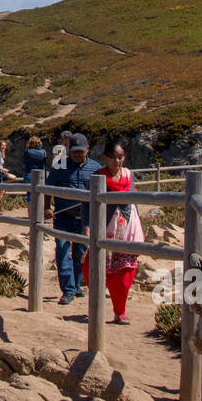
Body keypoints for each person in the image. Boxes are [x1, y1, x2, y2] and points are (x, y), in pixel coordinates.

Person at [80, 139, 139, 324]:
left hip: (125, 229)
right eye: (113, 157)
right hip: (103, 228)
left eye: (120, 157)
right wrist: (87, 225)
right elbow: (86, 203)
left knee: (124, 271)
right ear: (105, 157)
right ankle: (95, 308)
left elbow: (132, 200)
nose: (117, 161)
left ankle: (120, 311)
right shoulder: (98, 177)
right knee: (94, 268)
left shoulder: (129, 176)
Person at [45, 133, 101, 305]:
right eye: (74, 151)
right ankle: (67, 290)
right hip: (63, 216)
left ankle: (77, 285)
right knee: (62, 252)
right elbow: (48, 187)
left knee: (81, 253)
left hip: (85, 219)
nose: (77, 155)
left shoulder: (96, 169)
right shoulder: (59, 166)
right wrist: (47, 207)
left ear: (88, 150)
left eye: (80, 151)